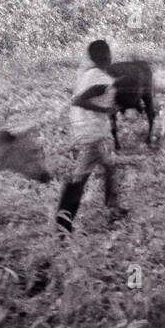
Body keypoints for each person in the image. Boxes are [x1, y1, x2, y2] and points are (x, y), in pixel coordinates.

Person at [56, 39, 127, 233]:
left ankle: (113, 208)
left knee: (110, 166)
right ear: (105, 56)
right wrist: (106, 109)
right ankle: (63, 221)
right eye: (109, 53)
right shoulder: (101, 80)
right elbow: (78, 100)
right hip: (93, 135)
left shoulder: (90, 74)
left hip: (91, 132)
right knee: (80, 177)